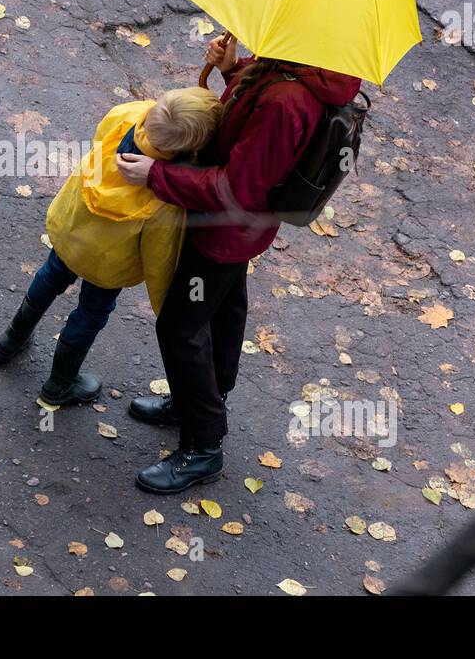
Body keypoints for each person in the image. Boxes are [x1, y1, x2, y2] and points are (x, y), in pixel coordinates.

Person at [116, 33, 362, 494]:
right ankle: (204, 396)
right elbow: (245, 127)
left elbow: (237, 188)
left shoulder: (287, 99)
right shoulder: (290, 64)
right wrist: (232, 70)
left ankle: (203, 446)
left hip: (225, 227)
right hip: (238, 228)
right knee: (224, 308)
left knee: (180, 328)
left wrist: (156, 175)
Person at [0, 87, 223, 407]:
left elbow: (105, 131)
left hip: (73, 231)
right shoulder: (164, 194)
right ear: (192, 147)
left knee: (50, 276)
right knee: (90, 314)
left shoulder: (125, 116)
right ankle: (58, 385)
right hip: (107, 265)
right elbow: (159, 255)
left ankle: (8, 343)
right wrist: (165, 303)